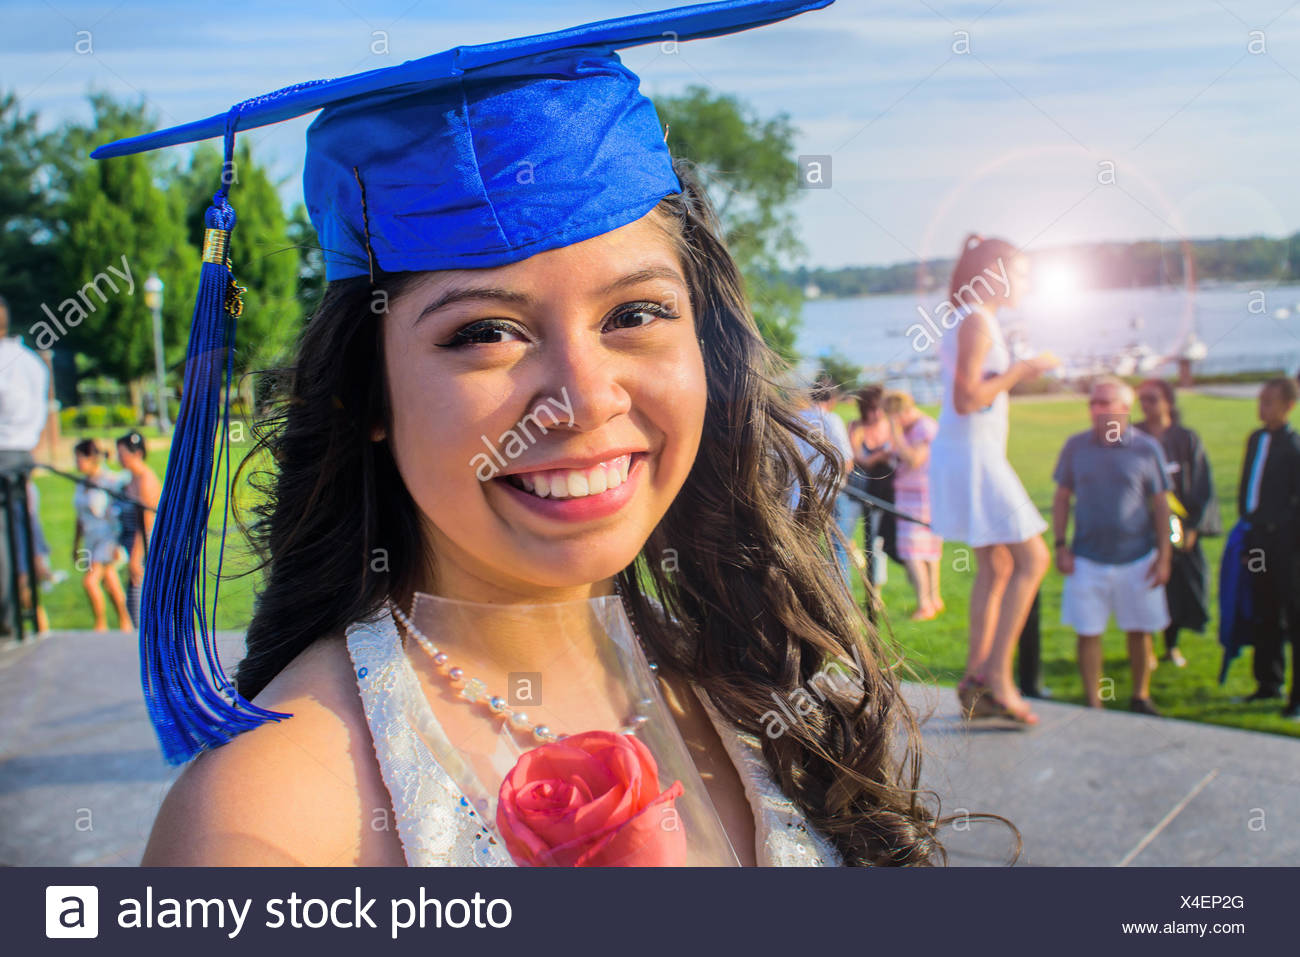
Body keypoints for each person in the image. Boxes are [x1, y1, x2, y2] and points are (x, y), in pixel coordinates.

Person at [104, 1, 946, 867]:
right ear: (368, 395)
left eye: (637, 313)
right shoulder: (271, 820)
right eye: (484, 333)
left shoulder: (756, 682)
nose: (581, 399)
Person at [928, 235, 1058, 725]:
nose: (1026, 283)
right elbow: (967, 398)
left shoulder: (974, 319)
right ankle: (1000, 678)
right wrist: (1024, 369)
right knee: (1034, 557)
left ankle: (976, 681)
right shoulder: (978, 321)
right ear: (997, 273)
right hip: (974, 455)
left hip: (971, 453)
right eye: (1021, 273)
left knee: (999, 565)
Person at [1052, 378, 1172, 716]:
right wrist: (1061, 545)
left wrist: (1164, 554)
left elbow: (1160, 503)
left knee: (1139, 630)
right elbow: (1062, 497)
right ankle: (1094, 704)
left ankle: (1140, 697)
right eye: (1093, 403)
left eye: (1105, 402)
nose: (1097, 409)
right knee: (1088, 631)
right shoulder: (1076, 446)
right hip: (1087, 558)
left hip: (1138, 557)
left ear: (1124, 407)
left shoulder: (1146, 448)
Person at [1134, 379, 1221, 668]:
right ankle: (1143, 648)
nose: (1146, 405)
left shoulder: (1185, 439)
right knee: (1142, 583)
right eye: (1142, 399)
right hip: (1140, 524)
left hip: (1176, 524)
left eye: (1153, 399)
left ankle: (1171, 645)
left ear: (1168, 401)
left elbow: (1200, 483)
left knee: (1175, 582)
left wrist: (1192, 526)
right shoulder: (1133, 435)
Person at [1233, 377, 1300, 717]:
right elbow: (1247, 485)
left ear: (1289, 405)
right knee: (1264, 611)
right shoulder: (1256, 439)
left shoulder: (1294, 446)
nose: (1262, 408)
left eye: (1269, 402)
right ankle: (1267, 683)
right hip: (1257, 539)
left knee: (1293, 616)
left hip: (1286, 545)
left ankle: (1296, 696)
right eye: (1260, 401)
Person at [0, 294, 51, 637]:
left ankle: (8, 615)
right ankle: (20, 611)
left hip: (4, 454)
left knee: (6, 539)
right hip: (23, 453)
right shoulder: (30, 360)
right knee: (18, 532)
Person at [883, 390, 943, 619]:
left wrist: (896, 434)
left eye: (893, 416)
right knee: (927, 550)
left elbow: (914, 459)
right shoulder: (919, 427)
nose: (893, 422)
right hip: (917, 494)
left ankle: (924, 604)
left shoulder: (923, 428)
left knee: (913, 552)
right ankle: (934, 600)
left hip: (918, 497)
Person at [796, 378, 857, 585]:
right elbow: (846, 460)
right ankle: (842, 600)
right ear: (831, 399)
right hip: (832, 493)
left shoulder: (795, 418)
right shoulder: (831, 420)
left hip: (802, 492)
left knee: (805, 545)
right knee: (838, 547)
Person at [71, 439, 132, 632]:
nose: (76, 463)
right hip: (91, 540)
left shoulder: (108, 480)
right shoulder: (81, 484)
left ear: (91, 458)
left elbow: (122, 505)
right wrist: (76, 544)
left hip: (107, 538)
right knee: (110, 582)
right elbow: (80, 517)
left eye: (79, 458)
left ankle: (100, 624)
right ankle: (125, 622)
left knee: (90, 582)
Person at [848, 384, 896, 590]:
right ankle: (853, 553)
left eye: (879, 409)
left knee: (877, 540)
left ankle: (874, 589)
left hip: (880, 491)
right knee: (843, 534)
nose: (876, 414)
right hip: (856, 490)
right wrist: (881, 456)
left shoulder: (890, 425)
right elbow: (859, 459)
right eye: (871, 409)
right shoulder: (855, 427)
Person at [116, 431, 162, 629]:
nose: (119, 458)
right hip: (134, 545)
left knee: (138, 601)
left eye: (122, 453)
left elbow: (146, 523)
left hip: (145, 548)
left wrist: (135, 558)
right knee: (133, 600)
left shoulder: (145, 480)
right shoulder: (130, 480)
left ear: (136, 453)